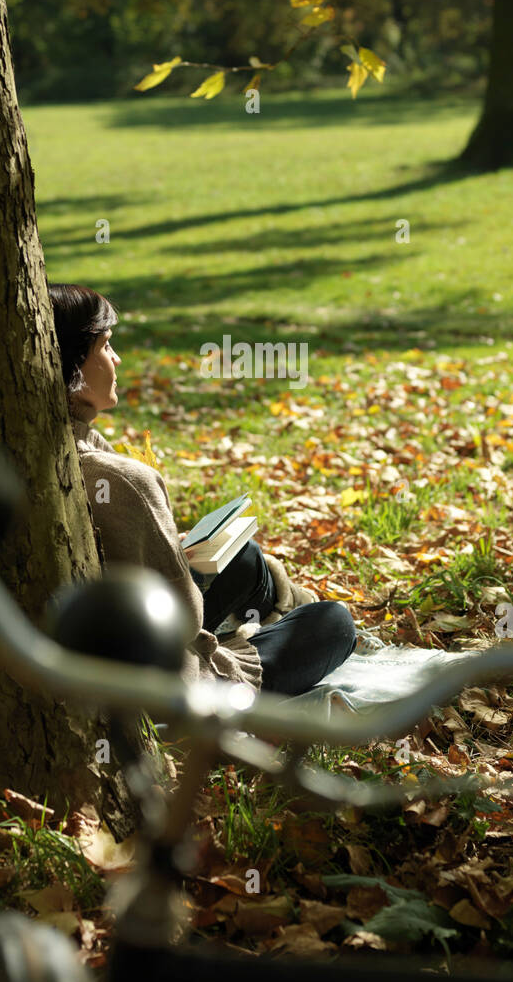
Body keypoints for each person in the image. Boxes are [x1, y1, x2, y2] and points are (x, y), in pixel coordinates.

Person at [48, 284, 357, 697]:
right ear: (73, 364)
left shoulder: (56, 444)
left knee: (243, 556)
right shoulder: (121, 479)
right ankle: (284, 618)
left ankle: (281, 605)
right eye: (105, 346)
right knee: (334, 623)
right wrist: (177, 559)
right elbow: (187, 615)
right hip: (169, 684)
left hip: (110, 636)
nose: (117, 358)